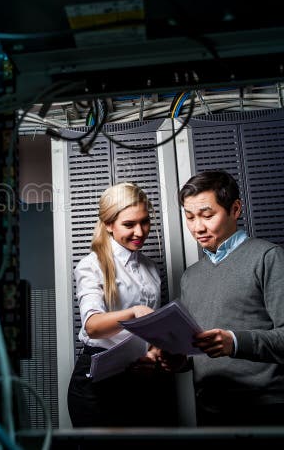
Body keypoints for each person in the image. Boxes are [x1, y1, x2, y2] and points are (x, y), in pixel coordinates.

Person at [173, 169, 284, 427]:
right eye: (190, 217)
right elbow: (197, 352)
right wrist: (176, 358)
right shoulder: (190, 277)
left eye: (207, 215)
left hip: (267, 409)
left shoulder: (268, 257)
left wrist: (235, 342)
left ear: (236, 209)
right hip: (210, 411)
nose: (198, 227)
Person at [66, 182, 177, 427]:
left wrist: (153, 354)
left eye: (145, 221)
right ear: (108, 224)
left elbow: (153, 332)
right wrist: (134, 313)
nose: (140, 232)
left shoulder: (150, 268)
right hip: (98, 384)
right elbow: (93, 326)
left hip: (140, 377)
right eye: (129, 224)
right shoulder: (91, 265)